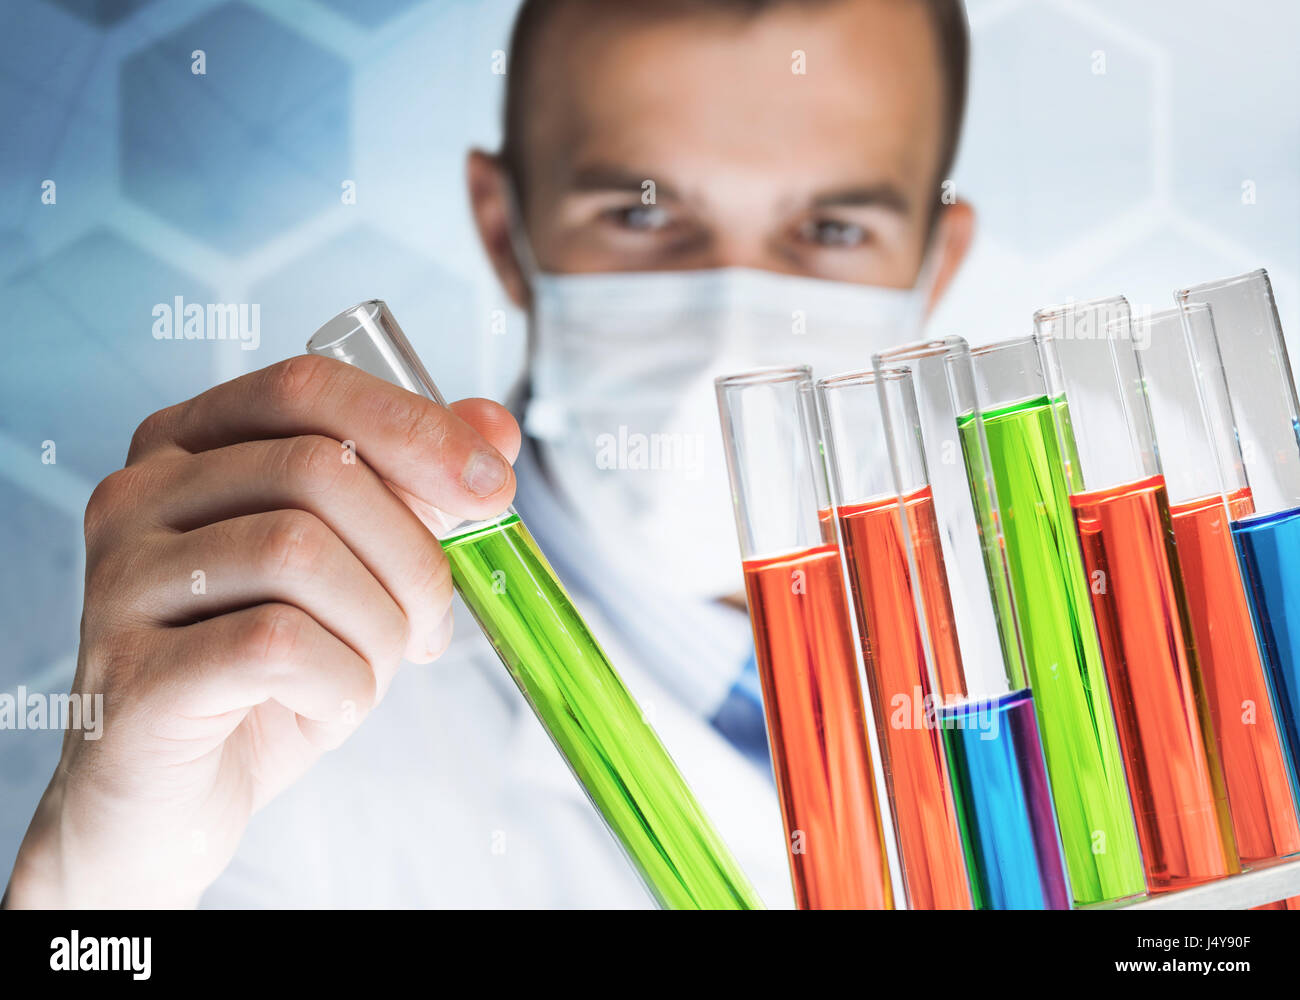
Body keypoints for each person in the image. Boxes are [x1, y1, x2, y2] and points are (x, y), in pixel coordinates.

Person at [5, 0, 974, 908]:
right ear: (504, 230)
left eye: (834, 228)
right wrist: (91, 879)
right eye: (639, 216)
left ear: (940, 266)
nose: (727, 326)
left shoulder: (1061, 648)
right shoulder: (267, 719)